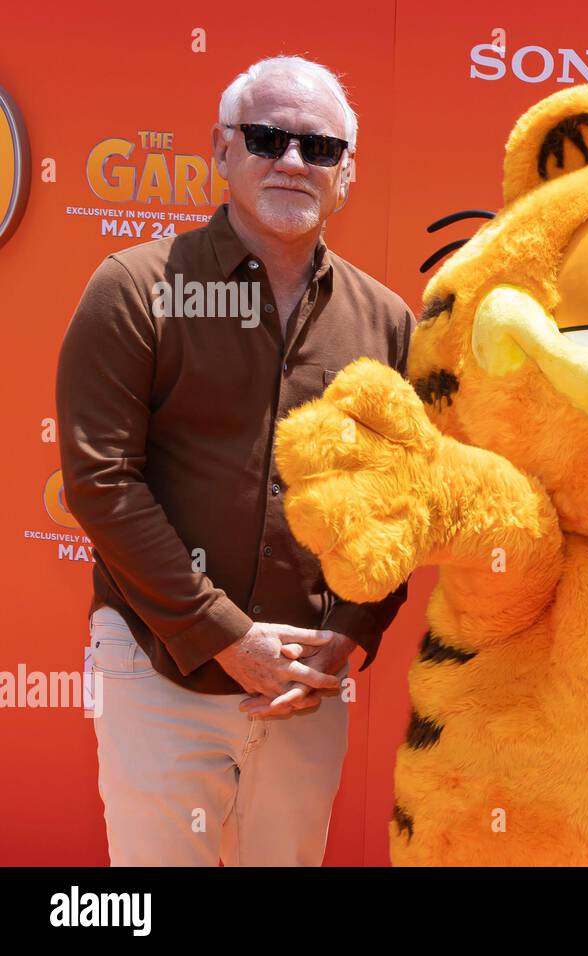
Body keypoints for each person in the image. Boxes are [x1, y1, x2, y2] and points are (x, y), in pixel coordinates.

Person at [55, 55, 412, 865]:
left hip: (303, 687)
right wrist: (224, 634)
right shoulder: (135, 288)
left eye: (318, 148)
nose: (292, 161)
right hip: (157, 663)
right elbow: (101, 480)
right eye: (266, 138)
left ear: (346, 174)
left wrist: (348, 635)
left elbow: (402, 500)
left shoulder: (387, 323)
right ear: (220, 151)